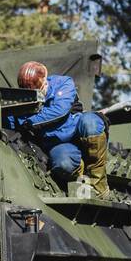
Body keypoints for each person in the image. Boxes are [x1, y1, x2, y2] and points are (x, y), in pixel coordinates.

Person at [9, 60, 109, 197]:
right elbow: (10, 121)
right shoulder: (22, 102)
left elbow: (60, 110)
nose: (39, 90)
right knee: (63, 163)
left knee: (91, 122)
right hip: (59, 142)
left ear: (45, 78)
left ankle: (99, 186)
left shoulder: (63, 83)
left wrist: (30, 121)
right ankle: (83, 176)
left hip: (77, 128)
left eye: (40, 85)